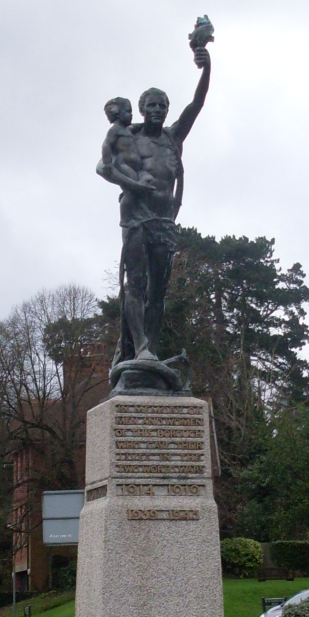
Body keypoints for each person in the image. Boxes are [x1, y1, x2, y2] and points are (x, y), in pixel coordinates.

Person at [97, 27, 211, 365]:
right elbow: (104, 168)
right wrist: (134, 185)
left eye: (163, 105)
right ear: (142, 108)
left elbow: (198, 103)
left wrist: (206, 67)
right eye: (152, 105)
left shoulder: (173, 138)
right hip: (136, 216)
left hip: (164, 221)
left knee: (158, 293)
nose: (158, 109)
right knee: (137, 284)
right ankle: (141, 347)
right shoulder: (128, 136)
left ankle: (150, 350)